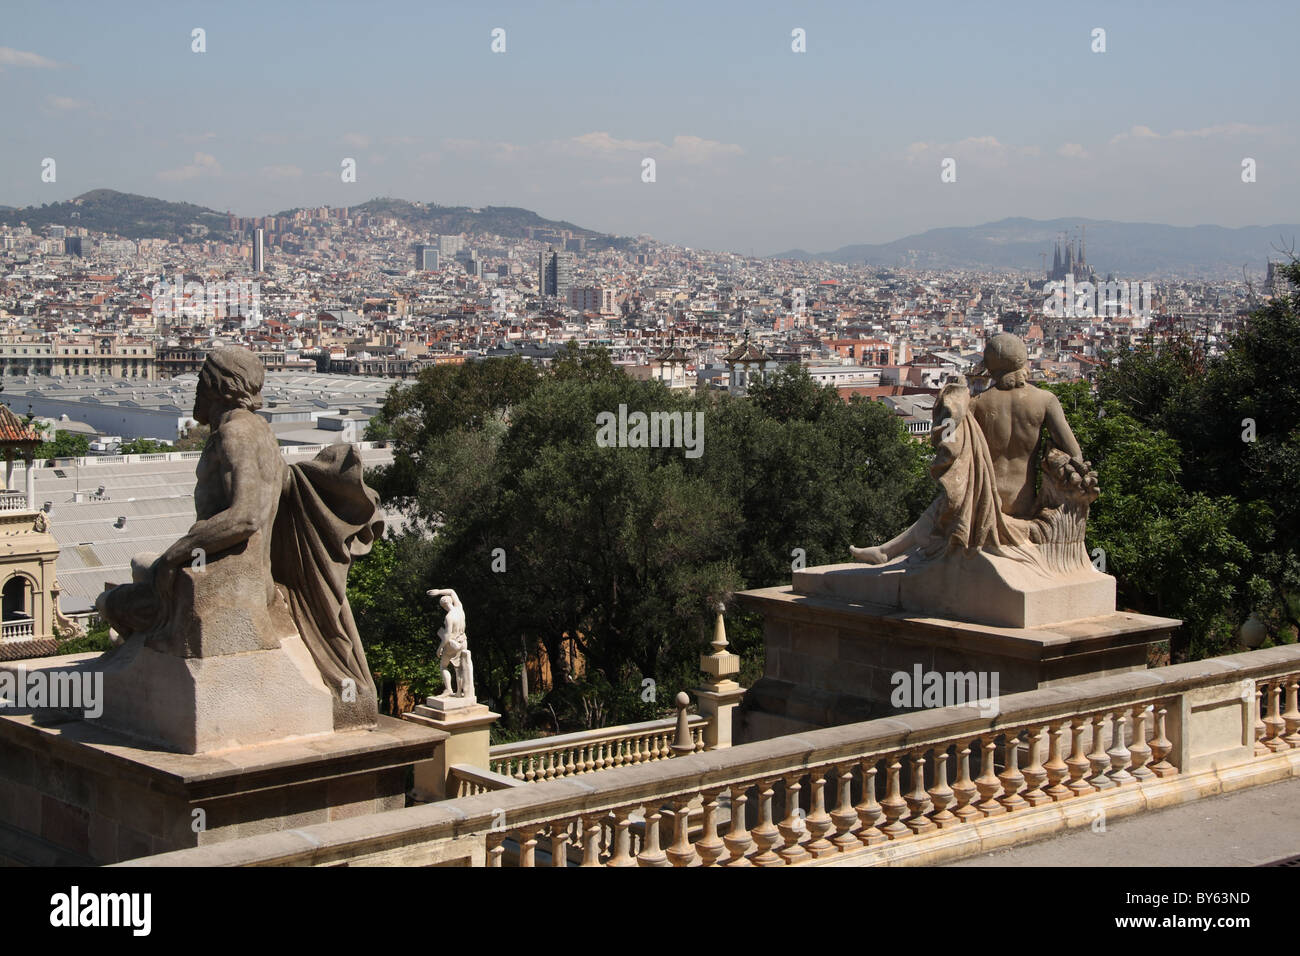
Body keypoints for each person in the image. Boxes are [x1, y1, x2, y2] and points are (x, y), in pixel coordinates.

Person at [428, 588, 474, 699]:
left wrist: (440, 648)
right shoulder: (460, 608)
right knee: (459, 668)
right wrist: (439, 592)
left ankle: (449, 689)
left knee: (443, 666)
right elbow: (452, 591)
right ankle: (459, 692)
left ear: (443, 606)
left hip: (452, 645)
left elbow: (447, 636)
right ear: (451, 601)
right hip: (463, 641)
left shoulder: (449, 617)